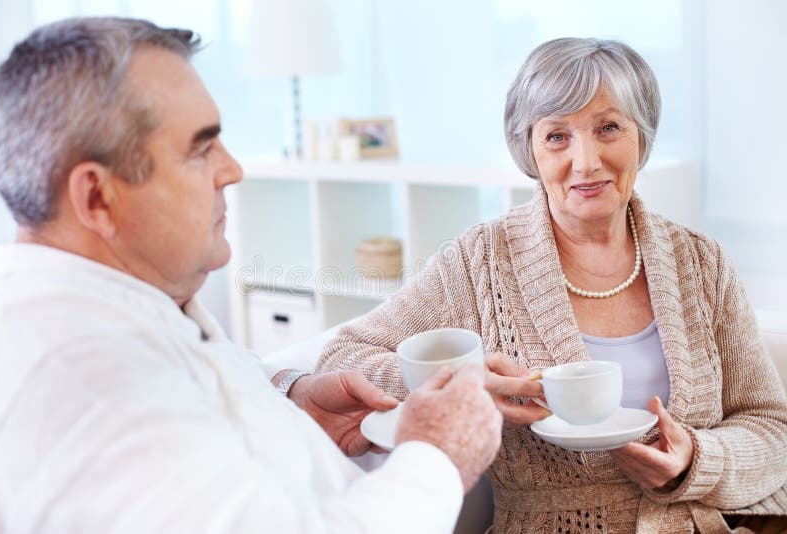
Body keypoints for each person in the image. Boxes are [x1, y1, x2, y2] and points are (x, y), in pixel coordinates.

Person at [0, 17, 504, 533]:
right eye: (200, 148)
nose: (232, 170)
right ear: (98, 197)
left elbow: (202, 407)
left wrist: (292, 403)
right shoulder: (89, 380)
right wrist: (438, 455)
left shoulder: (118, 301)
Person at [317, 37, 787, 532]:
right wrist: (460, 383)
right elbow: (342, 357)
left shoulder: (702, 262)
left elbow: (771, 429)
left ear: (642, 136)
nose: (585, 161)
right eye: (557, 136)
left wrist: (696, 458)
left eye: (608, 128)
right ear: (530, 151)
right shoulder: (481, 262)